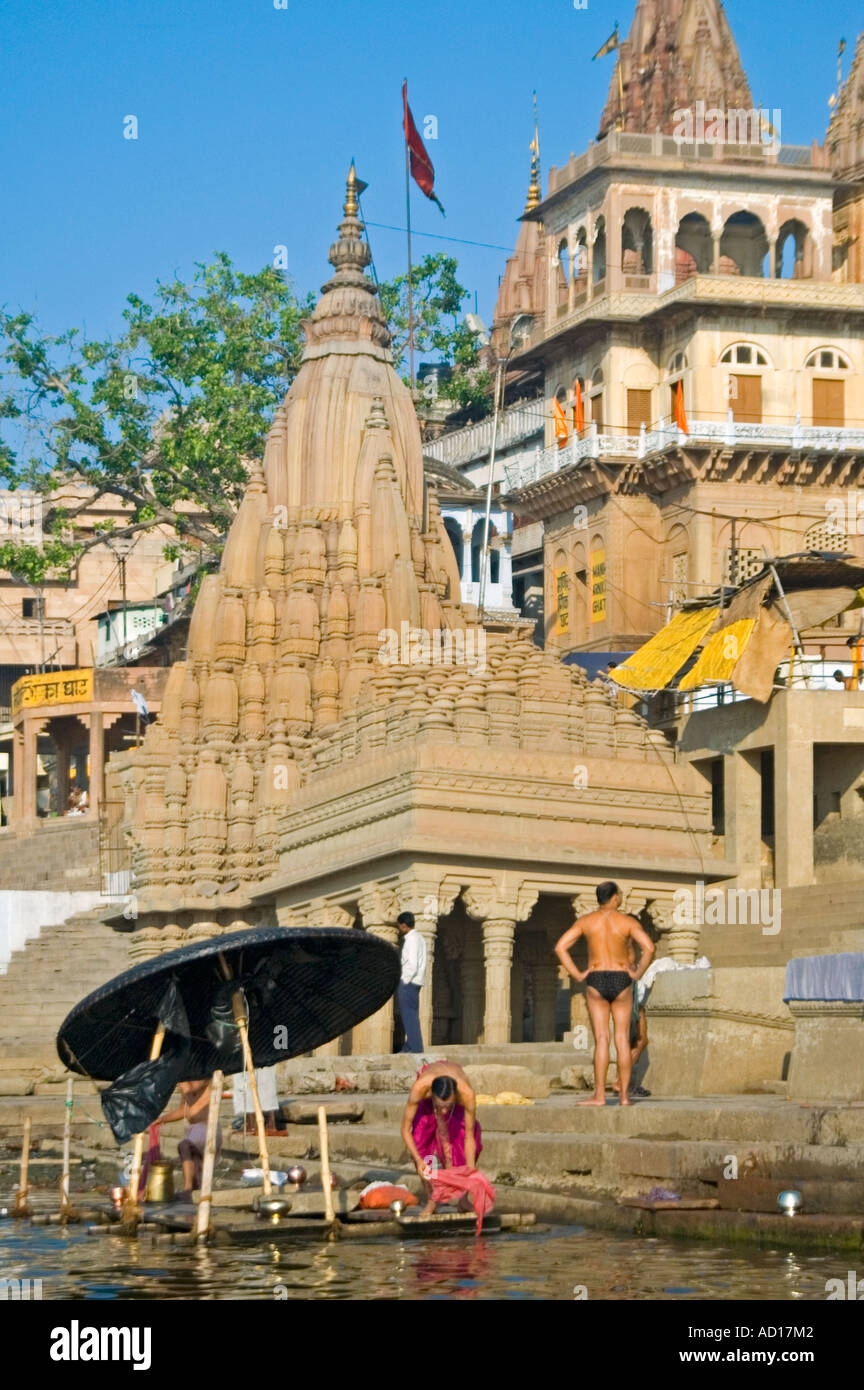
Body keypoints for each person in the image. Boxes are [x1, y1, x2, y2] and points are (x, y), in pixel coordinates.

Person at [554, 881, 655, 1107]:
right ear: (615, 898)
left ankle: (599, 1096)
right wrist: (637, 972)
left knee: (601, 1039)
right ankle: (625, 1097)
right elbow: (649, 948)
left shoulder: (587, 921)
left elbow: (561, 947)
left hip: (597, 977)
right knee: (621, 1038)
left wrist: (578, 974)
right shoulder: (627, 922)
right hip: (621, 977)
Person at [400, 1061, 481, 1216]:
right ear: (432, 1094)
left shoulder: (466, 1094)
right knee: (420, 1141)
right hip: (426, 1101)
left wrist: (471, 1170)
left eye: (447, 1106)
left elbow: (469, 1137)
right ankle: (432, 1200)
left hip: (457, 1103)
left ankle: (463, 1200)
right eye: (440, 1106)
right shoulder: (420, 1089)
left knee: (462, 1148)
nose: (443, 1111)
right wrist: (418, 1160)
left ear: (455, 1096)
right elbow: (405, 1130)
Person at [158, 1078, 221, 1196]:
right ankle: (193, 1192)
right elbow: (185, 1110)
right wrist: (163, 1119)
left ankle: (187, 1189)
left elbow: (190, 1088)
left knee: (184, 1146)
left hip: (208, 1127)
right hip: (193, 1129)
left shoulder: (205, 1078)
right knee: (193, 1163)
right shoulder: (186, 1085)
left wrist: (180, 1076)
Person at [396, 910, 426, 1053]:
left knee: (409, 1015)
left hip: (410, 981)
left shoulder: (412, 939)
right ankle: (410, 1045)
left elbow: (412, 963)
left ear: (403, 925)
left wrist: (404, 980)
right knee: (410, 1015)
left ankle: (415, 1047)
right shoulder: (419, 938)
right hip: (416, 981)